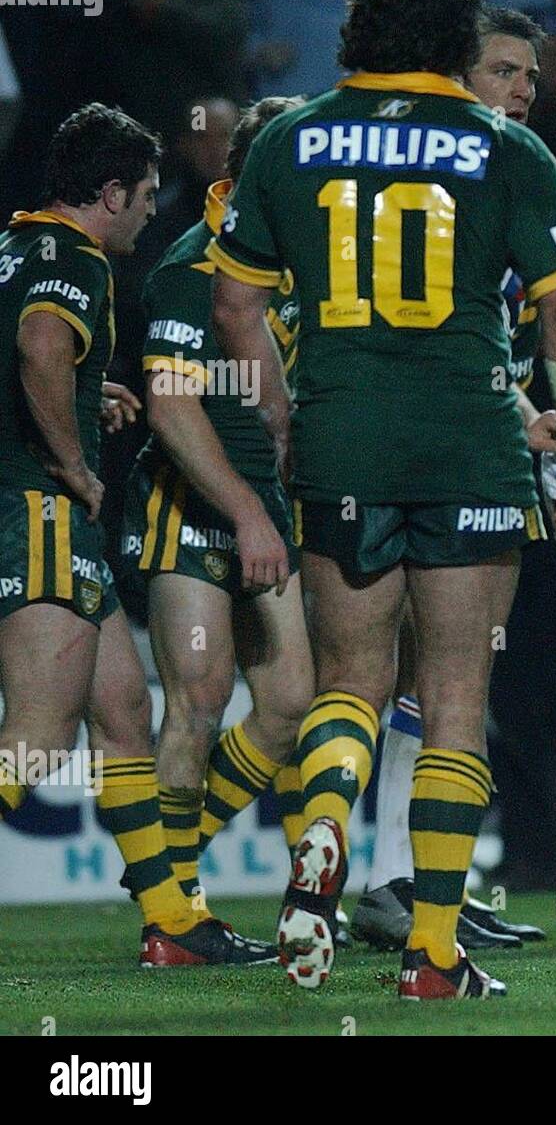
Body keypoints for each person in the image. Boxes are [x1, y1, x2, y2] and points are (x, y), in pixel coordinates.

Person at [208, 0, 556, 1000]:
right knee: (457, 698)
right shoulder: (505, 148)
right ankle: (432, 952)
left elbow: (235, 304)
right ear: (454, 43)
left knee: (349, 686)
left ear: (355, 34)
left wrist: (287, 417)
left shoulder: (289, 139)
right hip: (471, 447)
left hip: (343, 442)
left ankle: (325, 835)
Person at [0, 103, 272, 965]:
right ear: (111, 193)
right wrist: (73, 461)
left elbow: (36, 357)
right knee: (39, 737)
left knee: (123, 714)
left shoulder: (16, 243)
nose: (156, 210)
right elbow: (43, 345)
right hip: (38, 512)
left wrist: (89, 396)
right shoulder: (73, 259)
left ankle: (176, 922)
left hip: (29, 507)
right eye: (148, 194)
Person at [352, 5, 556, 953]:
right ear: (453, 69)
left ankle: (408, 875)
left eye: (530, 77)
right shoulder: (433, 170)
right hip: (418, 454)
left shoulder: (498, 173)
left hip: (462, 443)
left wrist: (531, 420)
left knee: (429, 675)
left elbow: (484, 346)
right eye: (503, 70)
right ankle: (394, 881)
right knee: (425, 675)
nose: (521, 91)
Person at [118, 96, 314, 915]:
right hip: (190, 511)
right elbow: (171, 406)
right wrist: (245, 512)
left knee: (288, 706)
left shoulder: (299, 263)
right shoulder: (191, 268)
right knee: (199, 699)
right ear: (259, 169)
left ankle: (167, 864)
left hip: (274, 508)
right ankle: (177, 915)